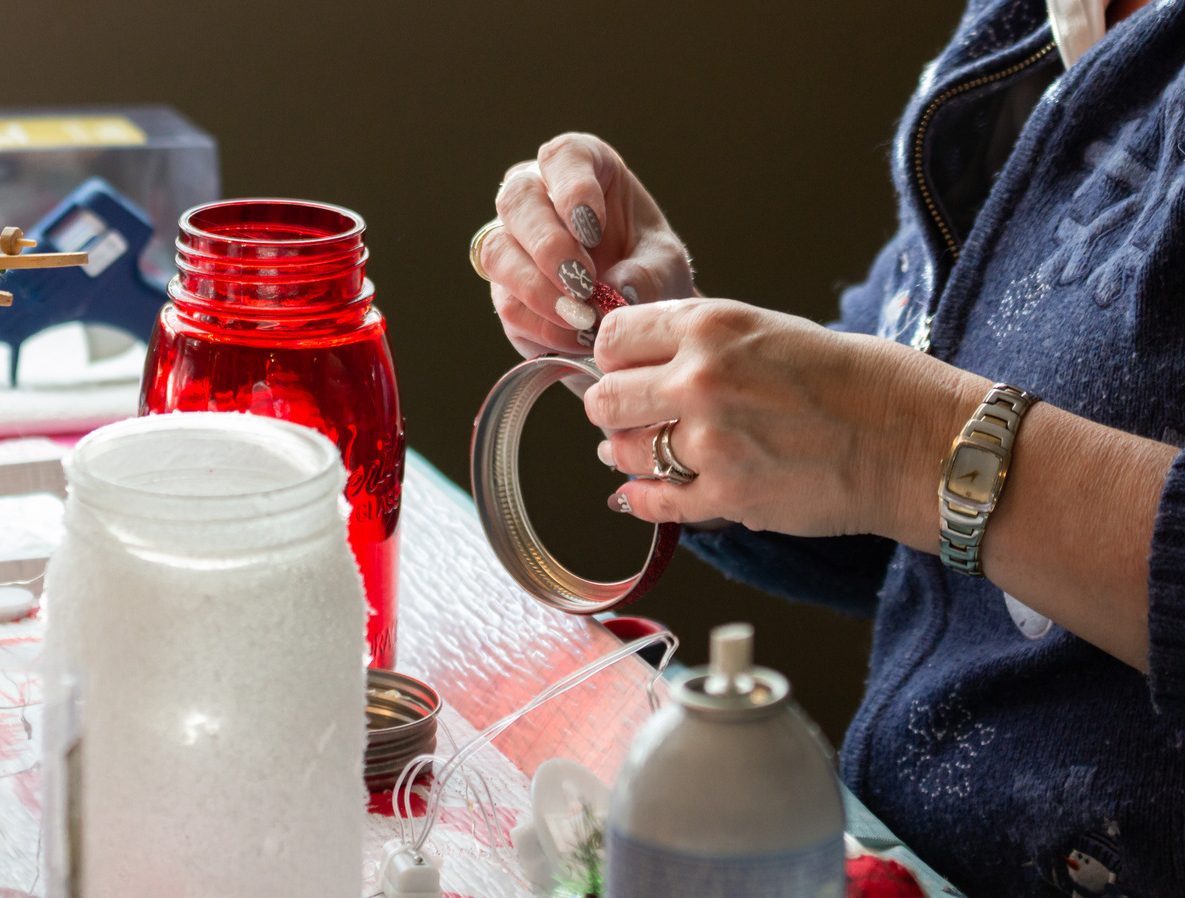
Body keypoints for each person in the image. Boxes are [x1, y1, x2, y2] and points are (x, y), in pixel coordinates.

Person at [472, 0, 1183, 895]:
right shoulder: (1034, 20)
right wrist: (689, 386)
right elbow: (929, 497)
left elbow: (915, 449)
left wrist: (899, 442)